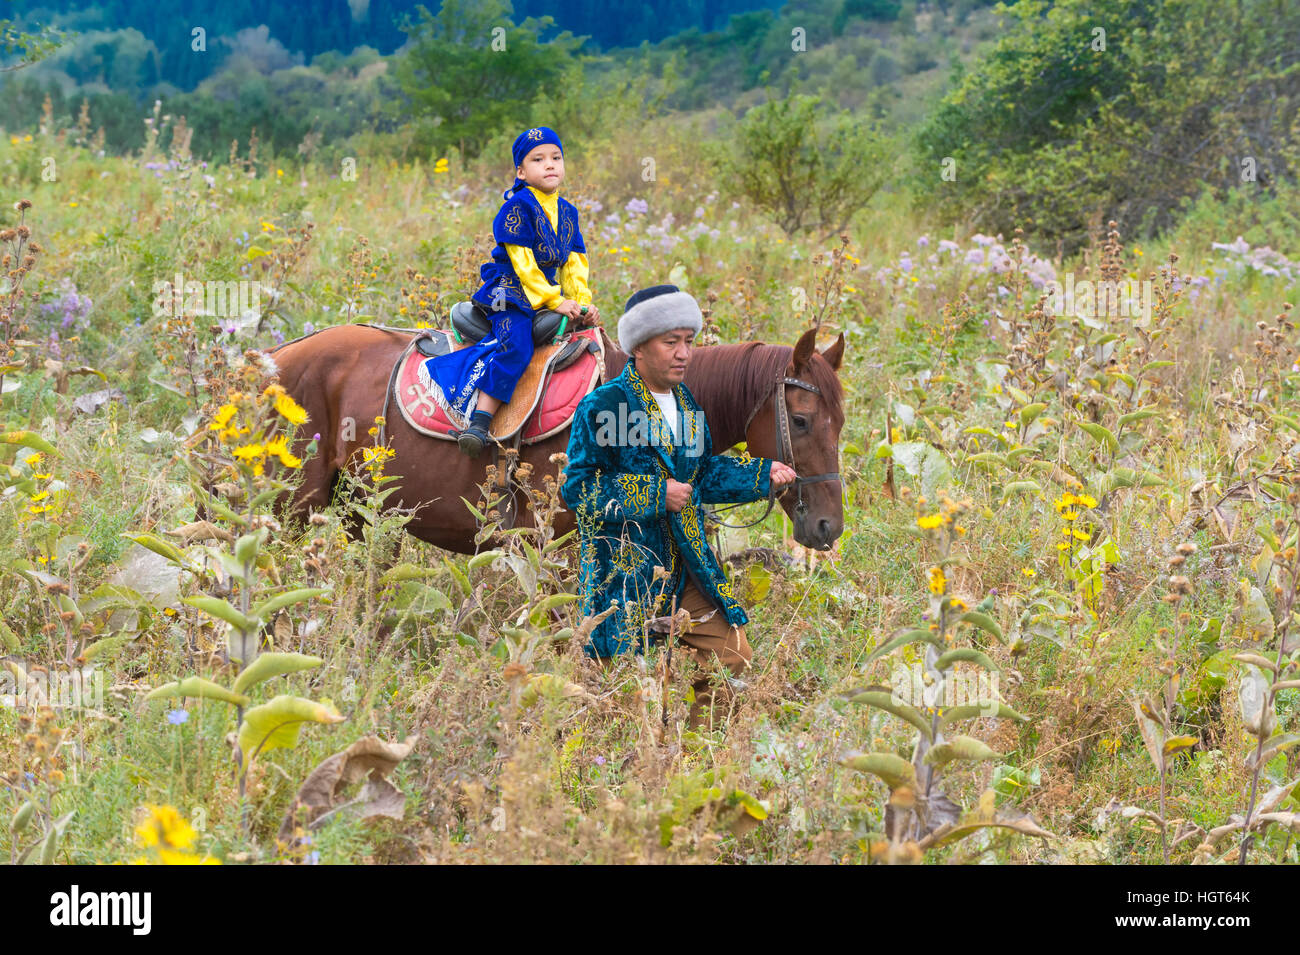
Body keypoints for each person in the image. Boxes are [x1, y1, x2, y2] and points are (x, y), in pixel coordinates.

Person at [560, 285, 798, 730]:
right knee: (625, 691)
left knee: (732, 655)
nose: (683, 353)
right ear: (639, 347)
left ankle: (690, 749)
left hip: (686, 563)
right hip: (626, 573)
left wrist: (761, 475)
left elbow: (702, 474)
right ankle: (639, 756)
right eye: (671, 342)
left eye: (689, 341)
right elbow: (578, 489)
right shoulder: (605, 405)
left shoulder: (688, 407)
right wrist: (654, 494)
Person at [426, 126, 601, 457]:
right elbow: (523, 264)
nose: (550, 164)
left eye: (556, 157)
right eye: (538, 159)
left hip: (547, 290)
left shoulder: (568, 213)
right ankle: (480, 421)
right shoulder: (517, 207)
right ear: (521, 171)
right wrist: (555, 300)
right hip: (509, 291)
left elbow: (575, 264)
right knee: (517, 345)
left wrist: (581, 302)